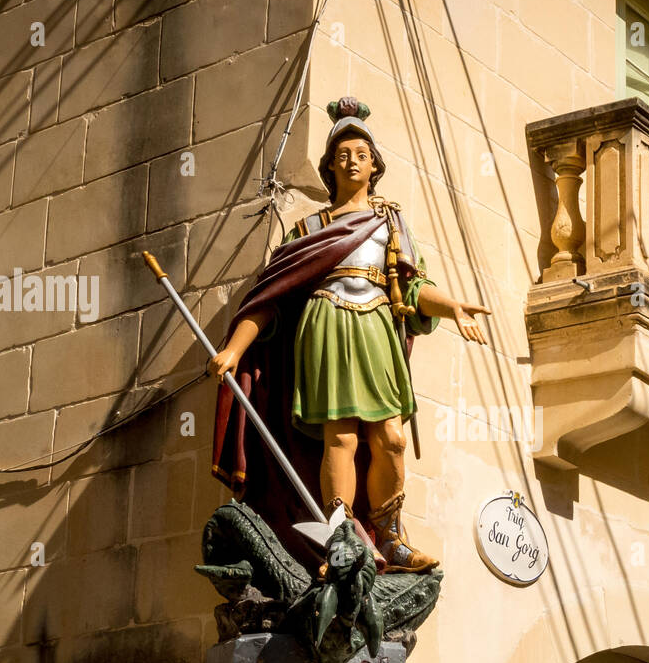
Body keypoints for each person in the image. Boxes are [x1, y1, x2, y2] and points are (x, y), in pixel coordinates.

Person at [209, 97, 492, 574]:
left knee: (392, 440)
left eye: (361, 154)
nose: (352, 161)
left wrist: (454, 305)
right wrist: (234, 351)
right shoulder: (308, 228)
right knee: (339, 439)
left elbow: (415, 286)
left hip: (377, 326)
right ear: (329, 166)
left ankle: (392, 537)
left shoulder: (389, 221)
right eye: (342, 155)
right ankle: (338, 542)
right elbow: (270, 297)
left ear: (374, 164)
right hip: (326, 328)